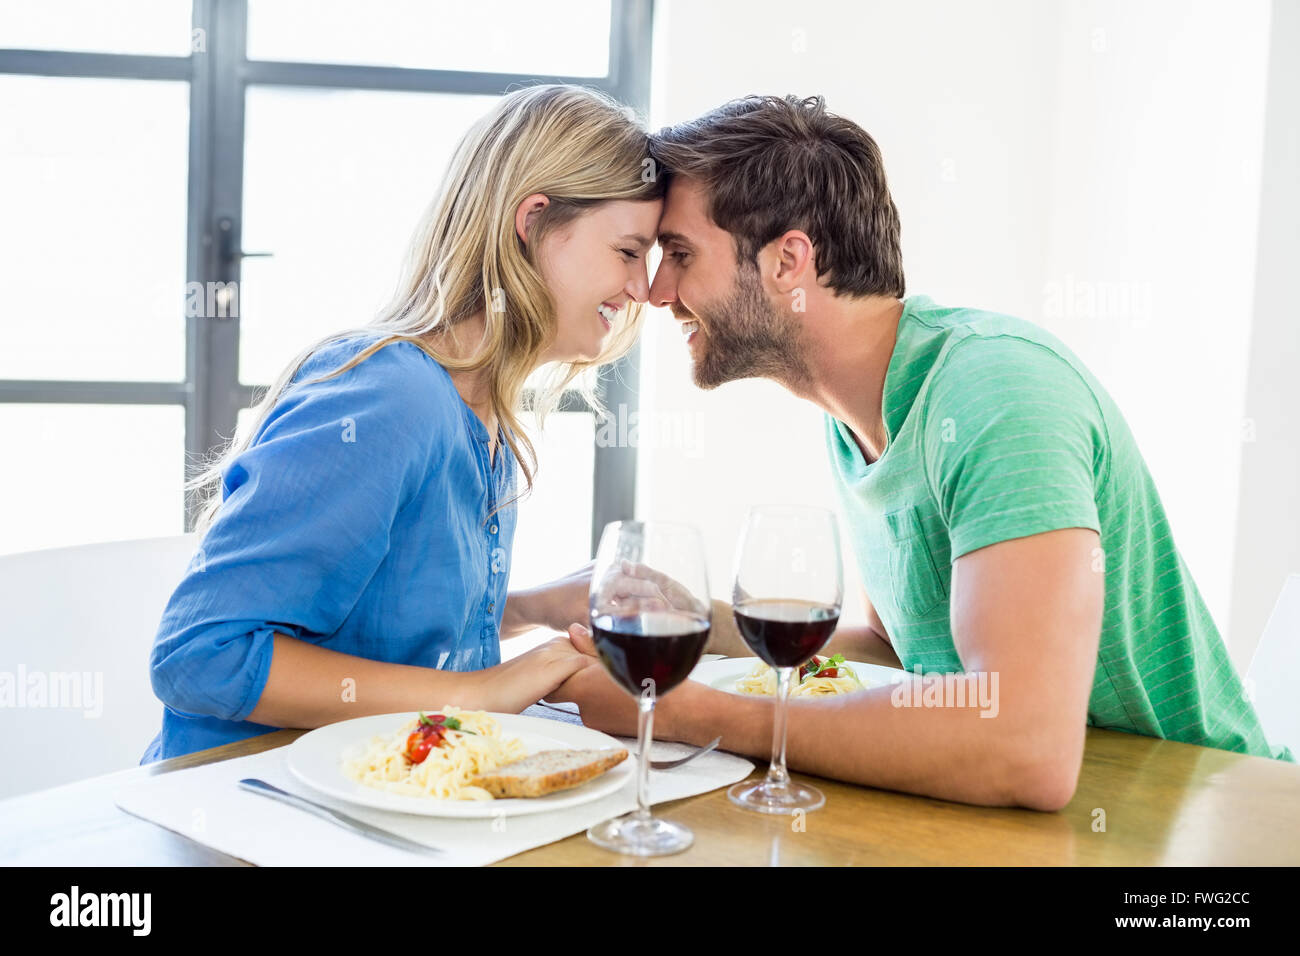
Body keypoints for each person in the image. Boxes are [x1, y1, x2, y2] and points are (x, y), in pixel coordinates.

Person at [554, 94, 1294, 811]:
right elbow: (902, 647)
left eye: (679, 253)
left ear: (788, 262)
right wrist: (688, 621)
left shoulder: (996, 391)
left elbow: (1022, 745)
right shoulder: (856, 416)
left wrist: (689, 711)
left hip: (1215, 823)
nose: (655, 291)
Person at [143, 84, 663, 762]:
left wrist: (533, 608)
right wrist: (479, 693)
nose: (645, 289)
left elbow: (375, 631)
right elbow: (199, 656)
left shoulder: (483, 417)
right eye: (629, 251)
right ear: (534, 223)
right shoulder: (392, 398)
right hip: (242, 808)